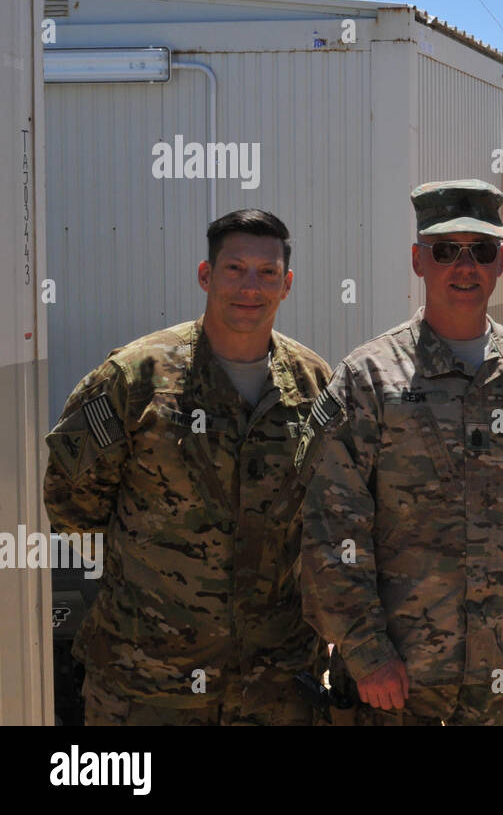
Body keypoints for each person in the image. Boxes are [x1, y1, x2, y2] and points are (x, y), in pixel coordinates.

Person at [297, 179, 503, 726]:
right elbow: (331, 529)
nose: (465, 267)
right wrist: (366, 652)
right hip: (397, 682)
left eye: (480, 251)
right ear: (419, 261)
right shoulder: (369, 378)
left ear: (501, 261)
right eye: (445, 251)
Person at [43, 209, 331, 725]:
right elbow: (72, 506)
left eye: (267, 273)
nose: (250, 286)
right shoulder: (136, 378)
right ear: (205, 275)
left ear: (286, 285)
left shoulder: (314, 383)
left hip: (275, 686)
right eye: (234, 268)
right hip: (149, 684)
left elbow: (329, 512)